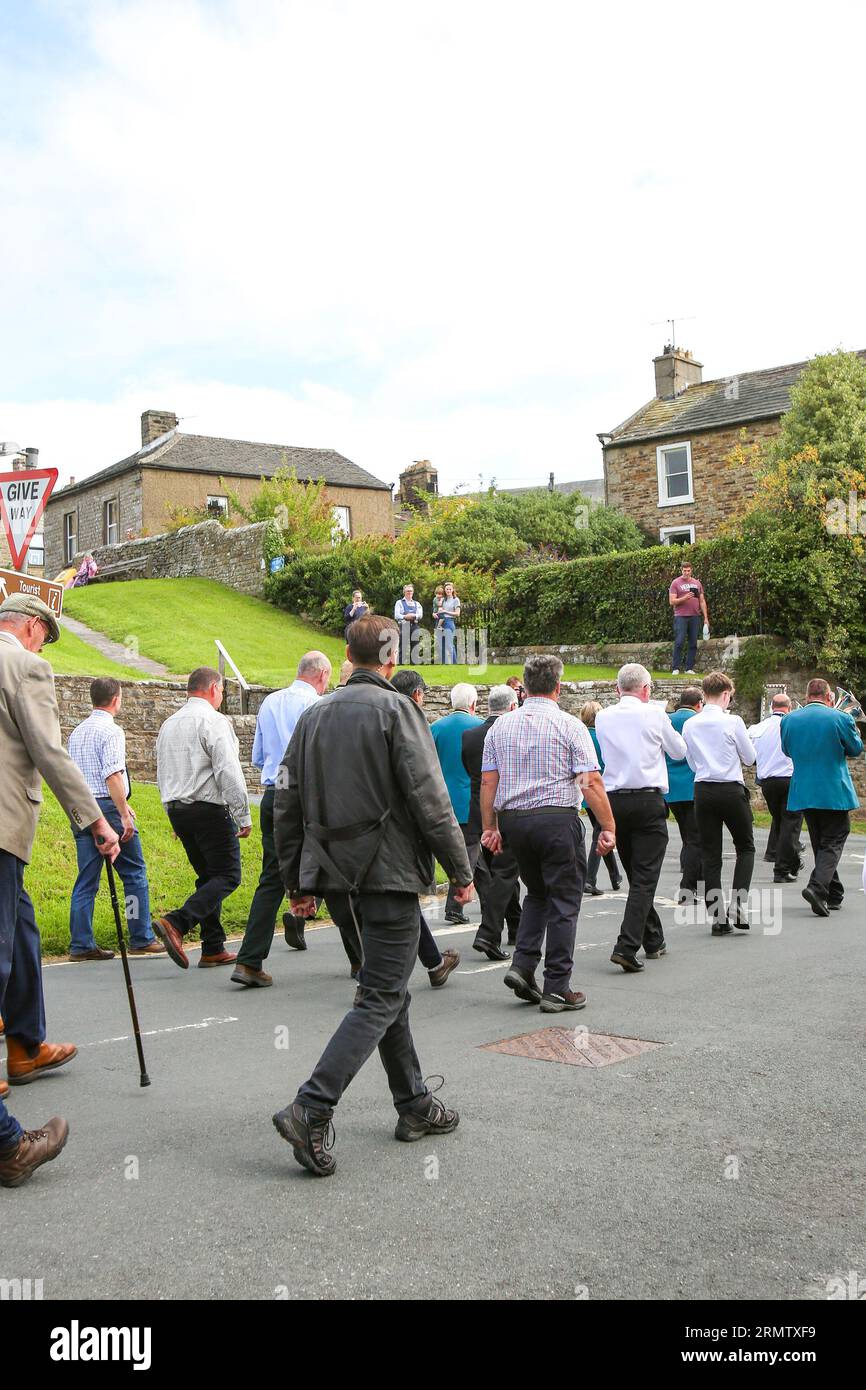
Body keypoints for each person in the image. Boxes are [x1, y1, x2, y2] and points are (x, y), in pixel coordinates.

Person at [271, 614, 474, 1177]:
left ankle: (413, 1105)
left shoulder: (313, 715)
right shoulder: (398, 710)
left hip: (337, 876)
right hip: (387, 874)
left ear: (347, 655)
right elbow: (429, 798)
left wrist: (297, 882)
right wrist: (461, 868)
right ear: (390, 659)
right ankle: (310, 1107)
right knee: (381, 997)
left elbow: (285, 800)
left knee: (386, 990)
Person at [0, 594, 120, 1189]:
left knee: (22, 929)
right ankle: (5, 1132)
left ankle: (23, 1046)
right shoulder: (23, 664)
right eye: (44, 636)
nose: (43, 646)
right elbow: (48, 750)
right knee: (0, 949)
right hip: (0, 827)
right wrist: (95, 820)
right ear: (29, 627)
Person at [481, 653, 616, 1012]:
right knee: (564, 901)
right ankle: (557, 985)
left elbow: (488, 781)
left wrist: (490, 827)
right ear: (558, 686)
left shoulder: (500, 727)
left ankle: (524, 965)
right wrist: (607, 824)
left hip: (515, 821)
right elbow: (590, 782)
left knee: (536, 893)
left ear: (523, 688)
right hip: (556, 819)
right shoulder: (570, 726)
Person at [231, 652, 332, 987]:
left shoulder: (271, 702)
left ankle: (248, 961)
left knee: (271, 876)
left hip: (276, 792)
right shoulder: (319, 706)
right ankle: (361, 961)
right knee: (334, 869)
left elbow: (259, 757)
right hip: (309, 793)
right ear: (322, 674)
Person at [153, 667, 252, 969]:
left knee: (208, 877)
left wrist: (172, 811)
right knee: (228, 875)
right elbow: (228, 770)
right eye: (221, 691)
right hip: (209, 809)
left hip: (178, 809)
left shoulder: (169, 724)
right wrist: (243, 814)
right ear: (212, 688)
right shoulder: (213, 720)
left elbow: (163, 770)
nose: (221, 696)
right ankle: (177, 922)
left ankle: (213, 946)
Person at [595, 665, 687, 971]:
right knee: (644, 877)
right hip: (648, 799)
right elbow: (679, 751)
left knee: (637, 876)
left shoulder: (604, 716)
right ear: (646, 689)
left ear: (617, 688)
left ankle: (653, 937)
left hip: (615, 801)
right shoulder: (655, 715)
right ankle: (626, 945)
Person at [67, 678, 164, 961]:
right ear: (116, 700)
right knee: (133, 874)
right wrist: (124, 813)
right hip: (107, 807)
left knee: (86, 878)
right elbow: (113, 775)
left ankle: (81, 943)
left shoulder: (77, 732)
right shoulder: (112, 731)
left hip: (80, 808)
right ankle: (140, 936)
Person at [390, 669, 461, 987]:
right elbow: (427, 794)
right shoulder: (409, 724)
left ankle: (432, 963)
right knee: (400, 903)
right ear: (418, 695)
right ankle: (375, 978)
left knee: (391, 905)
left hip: (349, 834)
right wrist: (460, 871)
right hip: (398, 832)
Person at [780, 678, 863, 917]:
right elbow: (856, 750)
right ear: (829, 697)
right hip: (833, 789)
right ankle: (817, 888)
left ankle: (833, 894)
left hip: (803, 789)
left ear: (807, 697)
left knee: (820, 841)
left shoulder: (789, 719)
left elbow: (786, 750)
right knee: (835, 838)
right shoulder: (841, 718)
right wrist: (853, 730)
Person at [682, 671, 756, 934]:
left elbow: (690, 761)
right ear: (726, 694)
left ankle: (717, 917)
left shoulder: (690, 724)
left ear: (704, 694)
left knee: (710, 854)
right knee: (745, 846)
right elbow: (749, 758)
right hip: (730, 788)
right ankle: (738, 902)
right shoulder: (733, 721)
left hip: (703, 790)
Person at [462, 684, 522, 957]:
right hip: (506, 811)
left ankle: (514, 926)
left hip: (478, 812)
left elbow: (473, 773)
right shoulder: (513, 733)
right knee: (507, 875)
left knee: (500, 875)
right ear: (512, 707)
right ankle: (499, 931)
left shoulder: (470, 736)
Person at [431, 684, 484, 924]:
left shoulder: (435, 728)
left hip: (440, 799)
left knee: (477, 858)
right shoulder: (479, 727)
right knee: (468, 852)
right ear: (473, 704)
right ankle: (454, 906)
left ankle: (493, 900)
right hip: (468, 800)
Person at [748, 693, 804, 883]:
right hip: (790, 778)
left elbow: (751, 756)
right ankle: (783, 868)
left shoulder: (757, 727)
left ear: (772, 707)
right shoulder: (794, 725)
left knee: (780, 820)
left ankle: (776, 854)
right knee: (791, 823)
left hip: (768, 782)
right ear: (789, 708)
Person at [578, 701, 623, 897]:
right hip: (601, 789)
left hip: (584, 788)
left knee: (599, 829)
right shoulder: (603, 737)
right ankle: (590, 878)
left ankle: (615, 875)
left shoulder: (581, 735)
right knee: (600, 831)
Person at [665, 687, 705, 905]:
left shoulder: (668, 720)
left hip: (671, 786)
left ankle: (698, 879)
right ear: (699, 702)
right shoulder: (697, 722)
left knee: (688, 836)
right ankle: (688, 889)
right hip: (691, 785)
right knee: (695, 839)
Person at [669, 560, 709, 675]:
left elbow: (702, 601)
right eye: (684, 570)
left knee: (693, 643)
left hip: (695, 616)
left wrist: (706, 618)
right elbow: (672, 601)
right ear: (681, 570)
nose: (687, 572)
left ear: (691, 570)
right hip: (680, 616)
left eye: (688, 570)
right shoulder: (675, 583)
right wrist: (684, 598)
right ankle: (675, 668)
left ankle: (689, 668)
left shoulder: (697, 583)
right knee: (679, 641)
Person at [393, 584, 423, 664]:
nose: (409, 592)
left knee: (415, 644)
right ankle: (400, 663)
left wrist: (412, 616)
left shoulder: (417, 604)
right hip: (403, 625)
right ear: (404, 592)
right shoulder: (399, 603)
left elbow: (420, 615)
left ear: (413, 592)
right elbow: (397, 615)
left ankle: (414, 663)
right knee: (402, 645)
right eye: (407, 591)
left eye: (411, 591)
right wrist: (406, 616)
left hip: (414, 626)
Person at [439, 582, 461, 665]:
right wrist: (436, 613)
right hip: (442, 621)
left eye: (450, 589)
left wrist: (446, 611)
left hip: (449, 622)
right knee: (442, 644)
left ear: (452, 590)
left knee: (449, 644)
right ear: (444, 590)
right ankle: (444, 664)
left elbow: (457, 613)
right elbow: (440, 611)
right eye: (447, 589)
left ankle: (455, 664)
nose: (448, 590)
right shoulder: (443, 600)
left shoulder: (456, 600)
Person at [431, 584, 445, 662]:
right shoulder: (436, 599)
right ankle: (439, 626)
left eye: (441, 594)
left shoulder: (443, 599)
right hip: (437, 613)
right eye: (438, 594)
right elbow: (439, 605)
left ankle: (439, 626)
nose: (439, 595)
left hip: (440, 614)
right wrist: (442, 600)